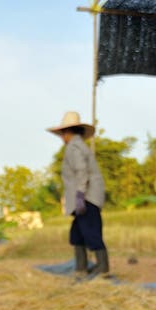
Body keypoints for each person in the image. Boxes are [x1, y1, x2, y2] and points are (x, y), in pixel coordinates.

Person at [47, 110, 109, 278]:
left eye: (62, 134)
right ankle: (81, 268)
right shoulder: (80, 146)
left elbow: (82, 172)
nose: (62, 137)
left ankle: (102, 268)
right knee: (77, 233)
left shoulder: (74, 147)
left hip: (87, 198)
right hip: (87, 197)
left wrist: (80, 195)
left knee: (91, 232)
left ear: (68, 132)